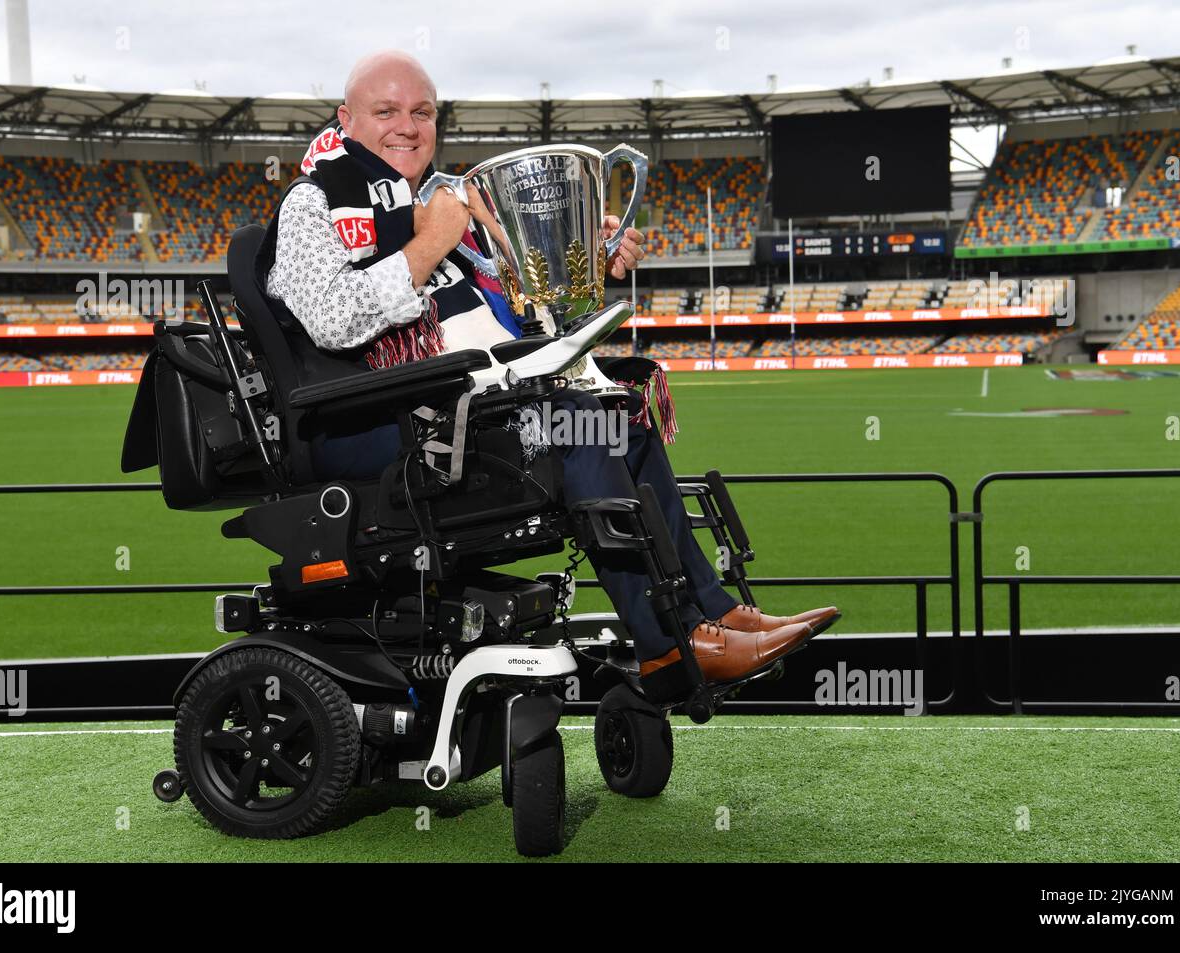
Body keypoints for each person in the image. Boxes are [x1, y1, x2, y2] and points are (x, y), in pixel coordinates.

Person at [262, 50, 837, 702]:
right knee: (580, 434)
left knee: (616, 418)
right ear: (346, 120)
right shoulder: (313, 206)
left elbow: (530, 308)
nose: (407, 125)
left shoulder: (444, 206)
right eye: (385, 110)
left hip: (440, 408)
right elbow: (334, 320)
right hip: (362, 421)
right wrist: (430, 244)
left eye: (421, 111)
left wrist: (582, 254)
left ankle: (708, 618)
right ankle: (670, 644)